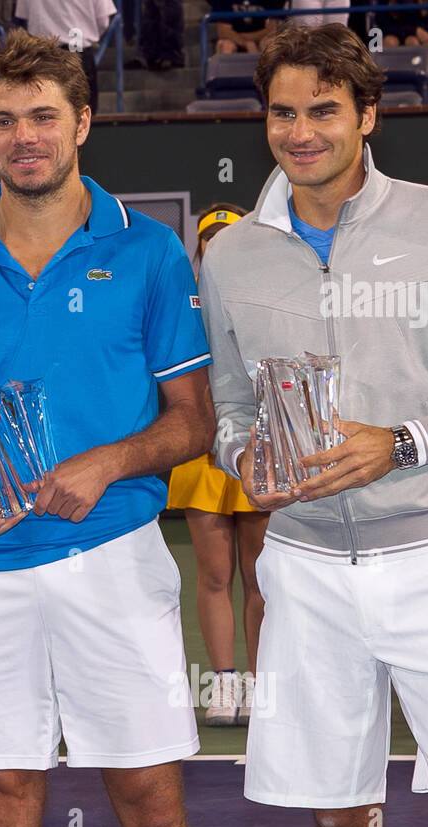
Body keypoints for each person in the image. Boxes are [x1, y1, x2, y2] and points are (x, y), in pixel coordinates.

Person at [200, 24, 428, 827]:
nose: (300, 132)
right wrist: (241, 454)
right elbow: (228, 403)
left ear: (369, 115)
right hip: (301, 571)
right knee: (336, 823)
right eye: (282, 113)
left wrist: (403, 442)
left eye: (324, 110)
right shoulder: (232, 258)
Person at [0, 30, 214, 827]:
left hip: (115, 560)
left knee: (152, 805)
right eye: (3, 121)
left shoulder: (150, 251)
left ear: (83, 123)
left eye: (43, 116)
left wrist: (106, 463)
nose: (23, 136)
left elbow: (193, 422)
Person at [167, 202, 267, 727]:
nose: (218, 246)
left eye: (229, 237)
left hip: (257, 453)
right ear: (200, 250)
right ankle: (224, 683)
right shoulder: (180, 309)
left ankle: (260, 682)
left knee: (259, 576)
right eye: (210, 240)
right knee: (214, 574)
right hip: (200, 458)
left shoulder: (264, 302)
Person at [12, 0, 115, 112]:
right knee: (83, 116)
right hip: (76, 50)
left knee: (42, 114)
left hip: (42, 54)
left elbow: (23, 16)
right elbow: (103, 21)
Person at [210, 0, 285, 54]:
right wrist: (246, 43)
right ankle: (226, 76)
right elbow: (223, 31)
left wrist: (249, 41)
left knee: (271, 43)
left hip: (261, 38)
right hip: (234, 40)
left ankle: (267, 75)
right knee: (226, 46)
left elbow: (271, 30)